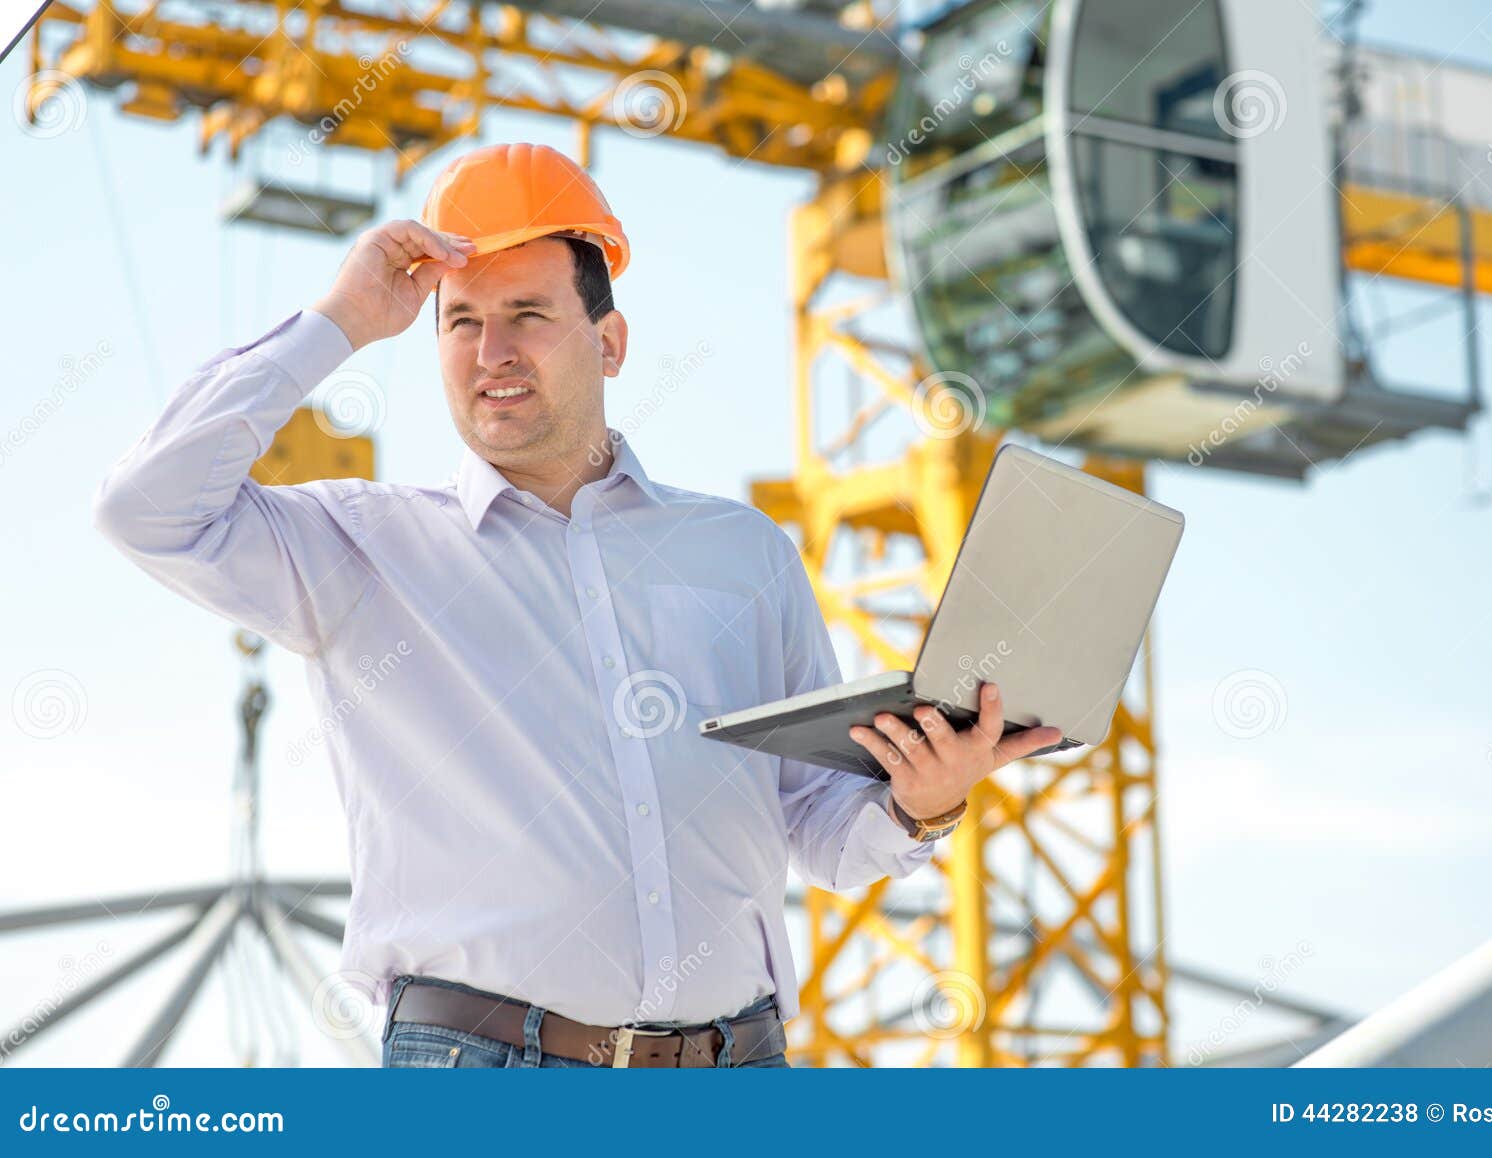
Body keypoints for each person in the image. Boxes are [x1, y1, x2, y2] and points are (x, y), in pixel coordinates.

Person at [91, 142, 1061, 1068]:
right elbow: (146, 508)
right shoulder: (362, 549)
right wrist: (340, 320)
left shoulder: (742, 554)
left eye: (527, 315)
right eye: (460, 321)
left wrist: (922, 805)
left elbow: (816, 829)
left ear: (610, 343)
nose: (490, 351)